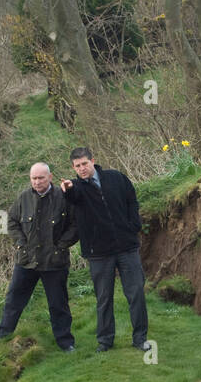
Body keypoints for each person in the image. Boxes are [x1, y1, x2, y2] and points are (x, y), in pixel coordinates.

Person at [60, 147, 148, 352]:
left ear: (93, 161)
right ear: (73, 168)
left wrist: (134, 226)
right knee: (104, 298)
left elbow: (131, 201)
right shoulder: (77, 188)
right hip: (98, 253)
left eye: (84, 163)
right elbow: (74, 197)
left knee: (136, 294)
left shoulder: (116, 178)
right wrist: (69, 189)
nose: (82, 169)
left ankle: (140, 338)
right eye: (77, 166)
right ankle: (105, 341)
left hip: (127, 248)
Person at [0, 163, 79, 350]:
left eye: (41, 178)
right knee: (13, 300)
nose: (37, 182)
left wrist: (61, 245)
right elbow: (12, 222)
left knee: (58, 305)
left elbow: (76, 225)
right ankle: (2, 336)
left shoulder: (63, 197)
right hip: (26, 261)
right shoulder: (24, 198)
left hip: (54, 262)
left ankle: (65, 343)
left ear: (50, 177)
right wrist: (20, 245)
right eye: (34, 178)